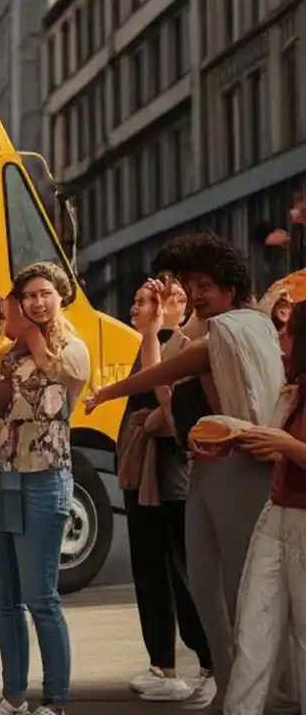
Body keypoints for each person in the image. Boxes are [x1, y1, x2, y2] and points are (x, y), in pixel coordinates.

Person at [85, 233, 296, 713]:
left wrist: (110, 391)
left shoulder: (236, 329)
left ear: (229, 283)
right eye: (189, 283)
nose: (196, 293)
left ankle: (254, 693)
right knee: (206, 586)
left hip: (240, 472)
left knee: (235, 589)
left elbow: (164, 375)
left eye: (203, 284)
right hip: (207, 470)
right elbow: (170, 369)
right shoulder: (220, 330)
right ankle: (231, 683)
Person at [0, 262, 90, 715]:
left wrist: (24, 340)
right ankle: (13, 695)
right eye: (27, 296)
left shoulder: (74, 350)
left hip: (45, 481)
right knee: (4, 599)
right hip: (3, 481)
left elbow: (47, 401)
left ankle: (56, 700)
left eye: (43, 294)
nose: (36, 302)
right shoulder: (8, 354)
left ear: (60, 297)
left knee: (41, 597)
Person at [117, 270, 215, 703]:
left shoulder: (182, 345)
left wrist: (156, 333)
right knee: (149, 571)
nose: (141, 310)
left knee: (183, 573)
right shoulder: (147, 344)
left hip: (172, 478)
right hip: (142, 475)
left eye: (151, 301)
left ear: (180, 304)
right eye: (139, 302)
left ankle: (212, 662)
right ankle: (163, 664)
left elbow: (164, 399)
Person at [225, 301, 306, 714]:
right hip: (277, 514)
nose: (280, 344)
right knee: (253, 633)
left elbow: (288, 450)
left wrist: (284, 445)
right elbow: (277, 452)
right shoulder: (293, 390)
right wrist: (236, 439)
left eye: (287, 334)